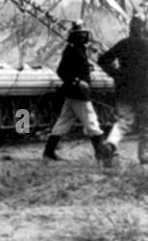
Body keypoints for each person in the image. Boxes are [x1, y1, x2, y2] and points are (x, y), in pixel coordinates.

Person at [97, 16, 148, 165]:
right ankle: (145, 156)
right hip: (144, 89)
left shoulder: (123, 44)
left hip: (124, 89)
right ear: (143, 28)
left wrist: (116, 74)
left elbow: (102, 59)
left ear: (130, 28)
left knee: (123, 122)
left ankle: (110, 144)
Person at [43, 21, 107, 162]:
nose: (84, 37)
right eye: (82, 35)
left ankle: (49, 152)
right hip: (78, 93)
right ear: (77, 37)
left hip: (73, 93)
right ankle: (101, 153)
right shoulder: (73, 50)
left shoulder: (76, 50)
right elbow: (62, 71)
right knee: (91, 122)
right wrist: (78, 81)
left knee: (63, 123)